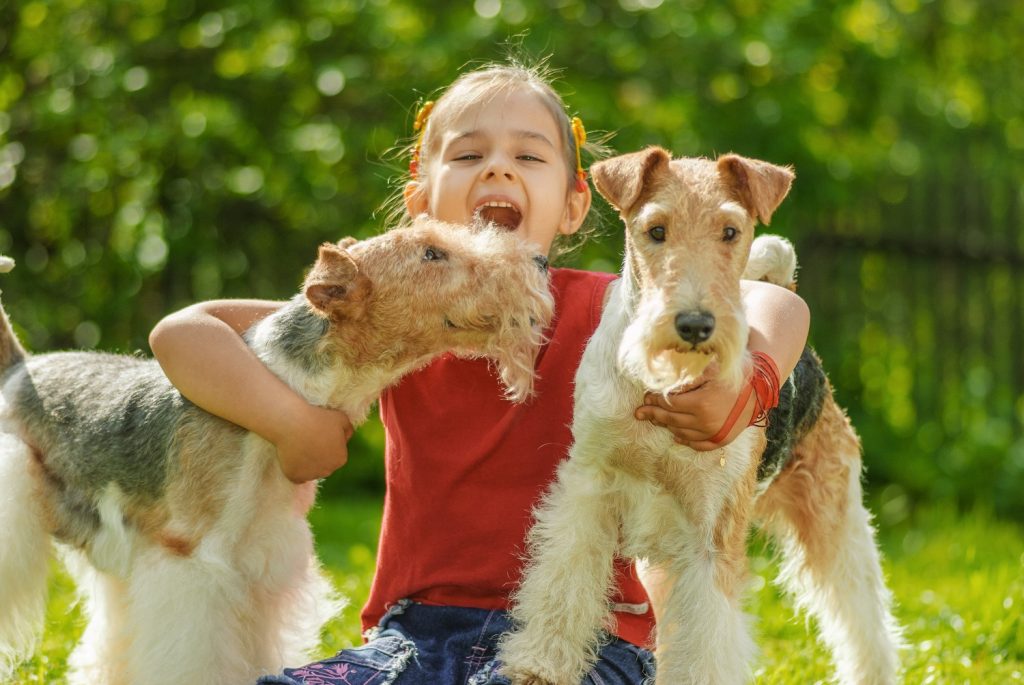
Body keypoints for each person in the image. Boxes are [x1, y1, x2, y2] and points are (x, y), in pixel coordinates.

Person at [149, 61, 810, 685]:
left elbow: (781, 304)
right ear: (419, 197)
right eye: (468, 155)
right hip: (409, 638)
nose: (497, 167)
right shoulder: (388, 313)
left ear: (577, 205)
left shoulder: (608, 310)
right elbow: (181, 333)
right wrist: (293, 423)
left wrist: (749, 386)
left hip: (589, 643)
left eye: (527, 156)